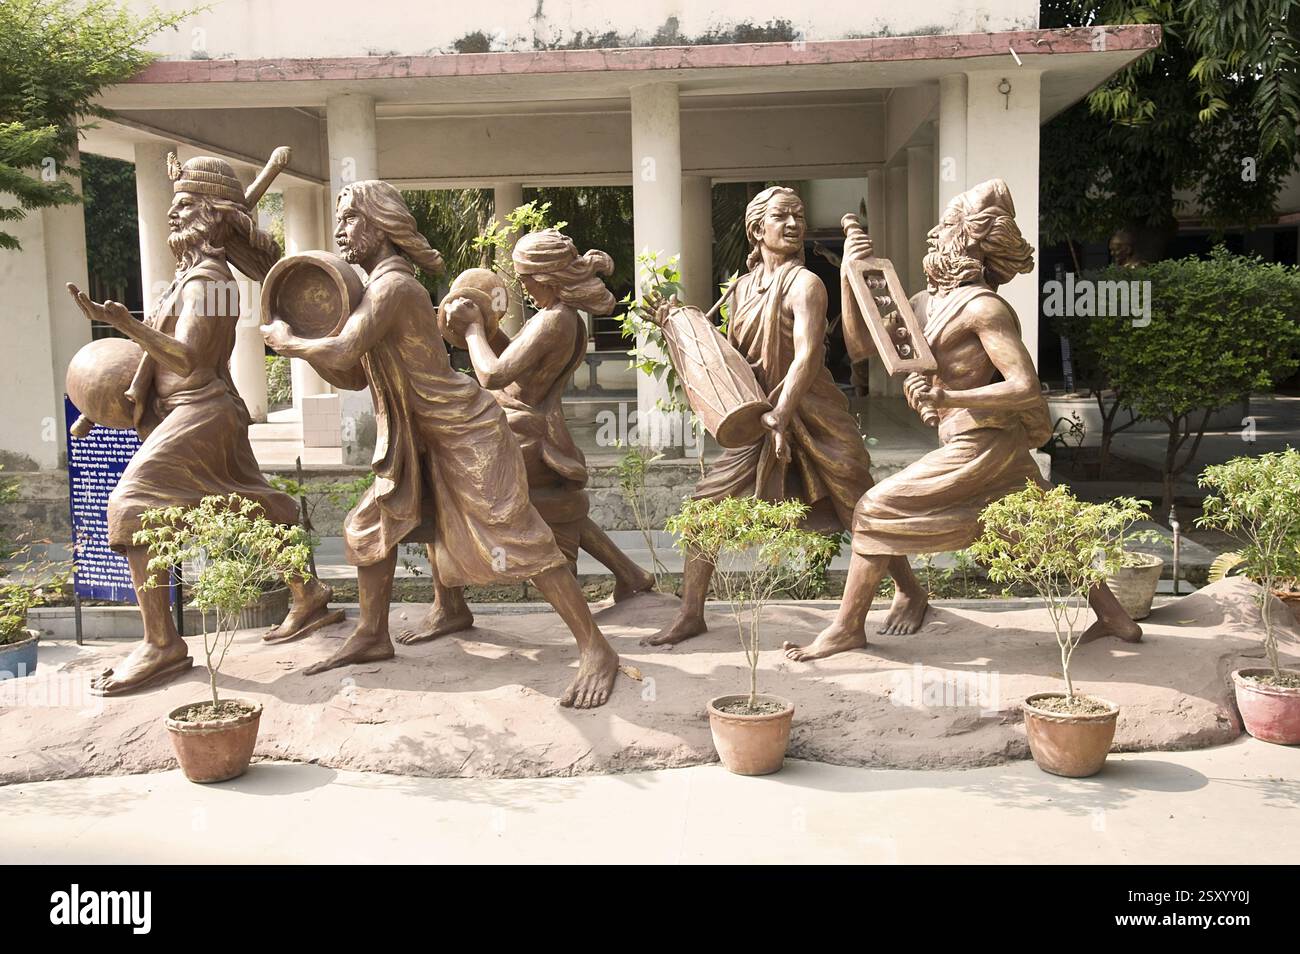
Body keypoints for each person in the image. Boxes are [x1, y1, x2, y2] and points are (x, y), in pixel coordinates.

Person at [261, 181, 620, 708]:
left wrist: (290, 342)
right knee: (369, 524)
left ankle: (596, 649)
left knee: (512, 533)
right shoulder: (371, 292)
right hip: (416, 432)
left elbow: (342, 346)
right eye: (339, 219)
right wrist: (307, 347)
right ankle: (375, 632)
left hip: (464, 429)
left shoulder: (394, 288)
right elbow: (353, 372)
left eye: (351, 218)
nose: (341, 230)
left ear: (382, 225)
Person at [784, 178, 1142, 661]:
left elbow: (1024, 386)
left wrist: (947, 393)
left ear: (971, 240)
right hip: (985, 446)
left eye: (948, 225)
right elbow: (861, 348)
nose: (933, 233)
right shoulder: (926, 303)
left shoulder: (983, 308)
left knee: (872, 509)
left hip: (984, 442)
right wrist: (850, 275)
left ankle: (848, 627)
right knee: (1036, 527)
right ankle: (1116, 617)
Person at [66, 154, 342, 696]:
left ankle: (162, 644)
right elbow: (158, 364)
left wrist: (125, 325)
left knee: (130, 505)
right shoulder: (191, 277)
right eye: (172, 204)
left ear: (212, 218)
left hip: (202, 412)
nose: (172, 215)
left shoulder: (210, 284)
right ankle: (308, 595)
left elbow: (189, 358)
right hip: (200, 411)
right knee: (248, 503)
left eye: (185, 206)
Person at [643, 185, 929, 647]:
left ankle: (910, 592)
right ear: (757, 229)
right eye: (782, 216)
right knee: (704, 509)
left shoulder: (806, 284)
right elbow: (729, 359)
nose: (794, 224)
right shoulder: (739, 289)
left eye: (798, 216)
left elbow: (808, 357)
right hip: (761, 417)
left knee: (859, 508)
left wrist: (782, 412)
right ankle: (691, 612)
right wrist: (680, 323)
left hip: (813, 416)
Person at [401, 229, 653, 644]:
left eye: (527, 278)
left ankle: (450, 606)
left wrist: (470, 332)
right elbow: (515, 359)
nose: (522, 287)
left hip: (525, 432)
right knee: (556, 508)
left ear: (549, 277)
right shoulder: (557, 317)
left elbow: (495, 374)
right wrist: (485, 328)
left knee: (437, 478)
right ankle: (630, 574)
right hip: (535, 427)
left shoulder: (556, 320)